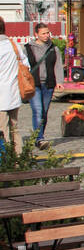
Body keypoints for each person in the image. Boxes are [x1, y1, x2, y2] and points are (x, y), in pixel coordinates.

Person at [24, 23, 62, 148]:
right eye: (43, 33)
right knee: (38, 110)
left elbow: (58, 66)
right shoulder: (28, 48)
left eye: (47, 33)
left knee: (44, 112)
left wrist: (60, 81)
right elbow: (23, 66)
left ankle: (39, 136)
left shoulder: (53, 48)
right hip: (33, 83)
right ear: (36, 34)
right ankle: (39, 139)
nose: (46, 35)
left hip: (48, 83)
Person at [0, 19, 29, 152]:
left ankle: (6, 161)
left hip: (1, 96)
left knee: (2, 130)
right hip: (14, 93)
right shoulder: (14, 45)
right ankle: (19, 159)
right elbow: (26, 66)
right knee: (14, 129)